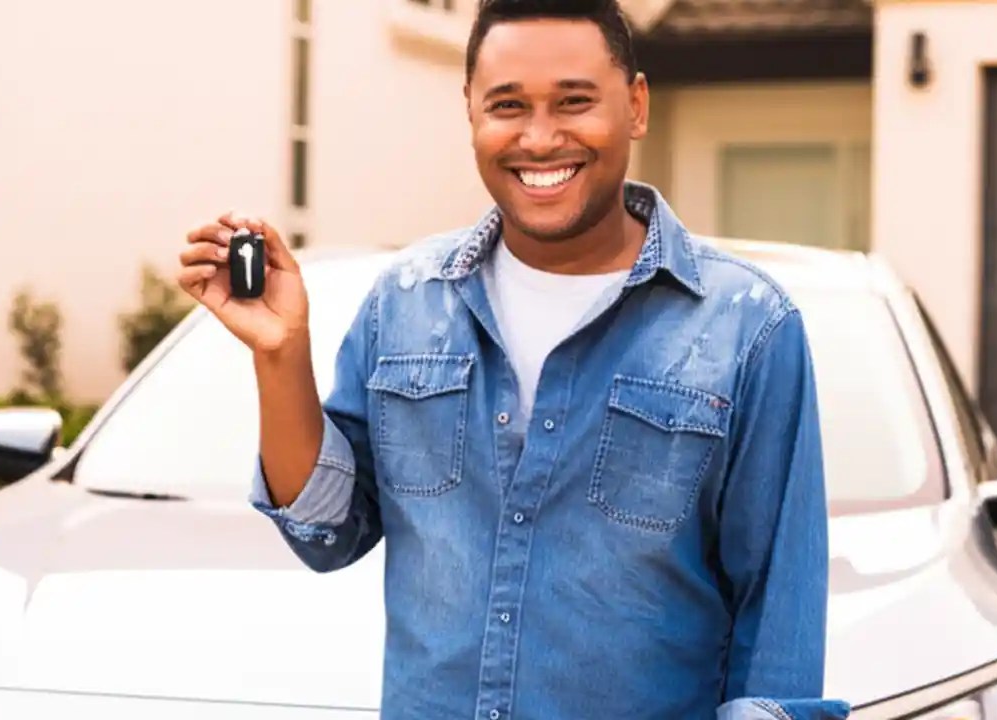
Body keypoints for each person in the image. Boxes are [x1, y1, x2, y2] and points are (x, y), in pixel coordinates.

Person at [178, 1, 851, 718]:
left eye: (574, 102)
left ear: (636, 105)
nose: (539, 137)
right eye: (508, 105)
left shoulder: (747, 326)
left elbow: (778, 633)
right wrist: (281, 355)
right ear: (470, 111)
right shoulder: (405, 303)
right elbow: (326, 533)